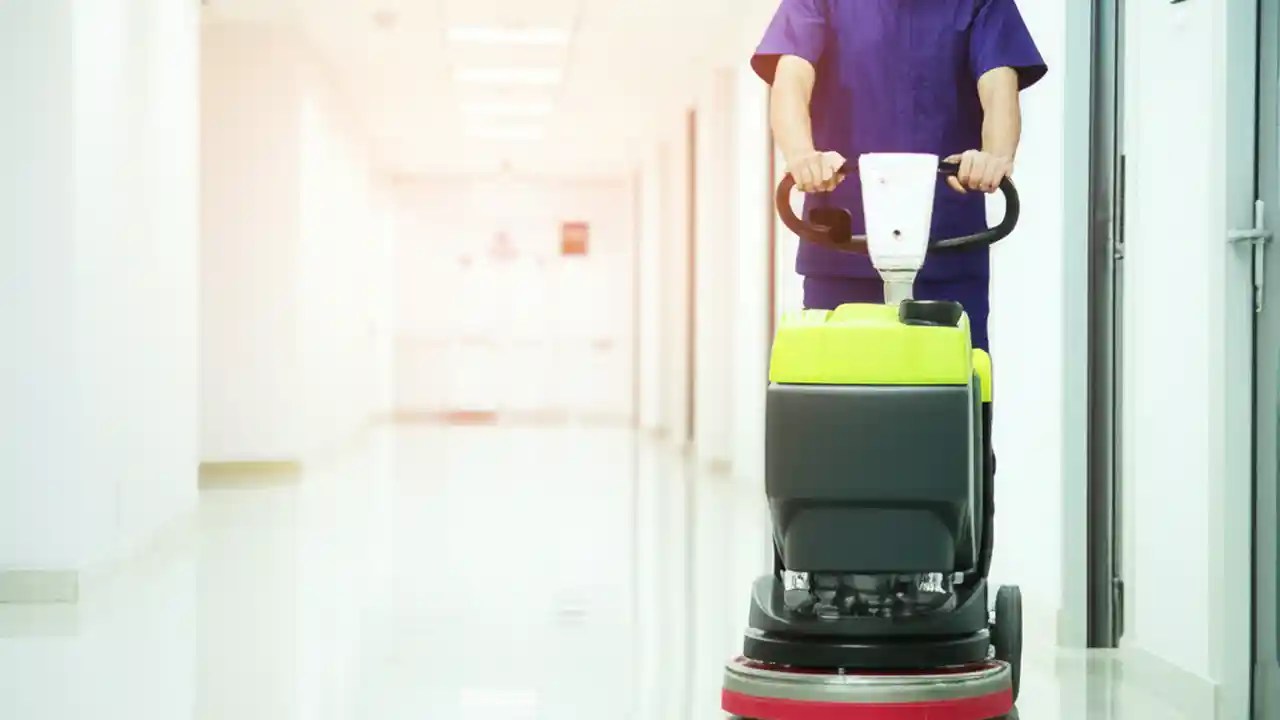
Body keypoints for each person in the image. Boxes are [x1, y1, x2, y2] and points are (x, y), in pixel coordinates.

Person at [752, 0, 1046, 351]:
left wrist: (993, 158)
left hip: (946, 251)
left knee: (952, 378)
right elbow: (792, 79)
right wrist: (802, 156)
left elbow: (999, 87)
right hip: (842, 250)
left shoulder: (982, 4)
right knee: (836, 379)